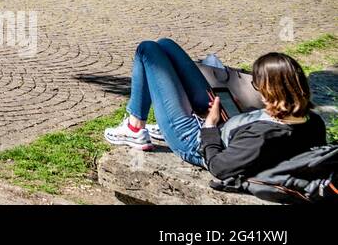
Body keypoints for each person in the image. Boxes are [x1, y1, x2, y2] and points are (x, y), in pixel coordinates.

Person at [104, 40, 325, 181]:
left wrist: (210, 124)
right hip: (228, 127)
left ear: (270, 90)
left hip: (194, 140)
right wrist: (239, 117)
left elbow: (218, 167)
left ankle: (135, 128)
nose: (257, 90)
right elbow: (258, 135)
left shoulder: (264, 135)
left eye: (258, 86)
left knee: (148, 50)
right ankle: (162, 117)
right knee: (166, 45)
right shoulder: (312, 120)